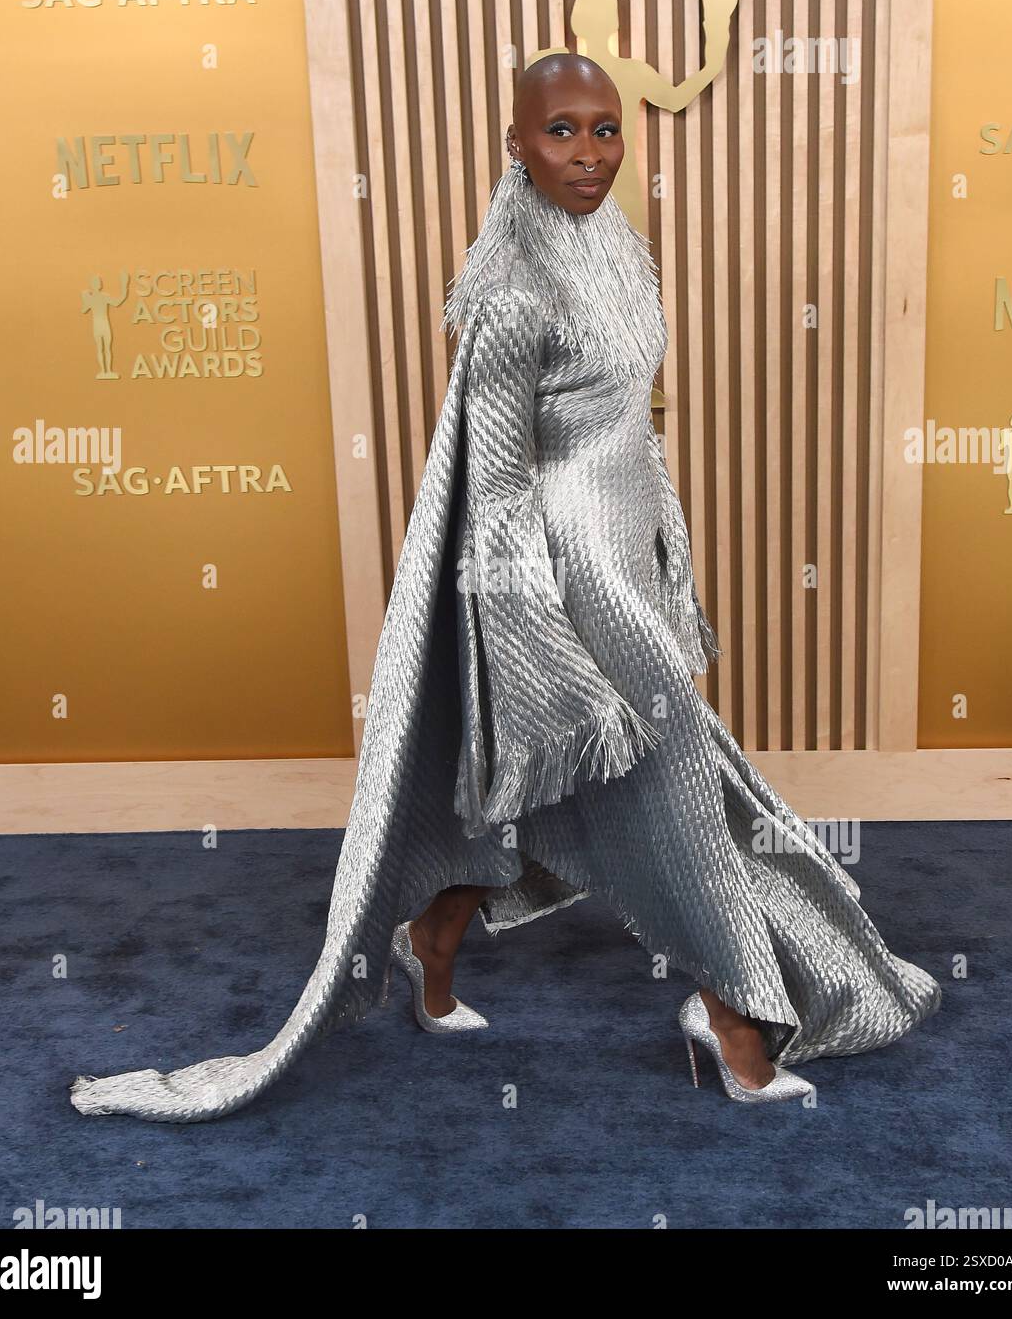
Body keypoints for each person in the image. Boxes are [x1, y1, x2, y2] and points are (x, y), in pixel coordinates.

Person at [69, 55, 940, 1123]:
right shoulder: (507, 289)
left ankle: (435, 941)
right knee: (678, 804)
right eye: (563, 131)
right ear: (515, 145)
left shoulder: (622, 249)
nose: (589, 154)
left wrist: (666, 555)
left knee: (556, 795)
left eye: (606, 129)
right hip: (568, 574)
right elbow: (496, 483)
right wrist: (536, 642)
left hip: (630, 552)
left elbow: (633, 425)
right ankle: (735, 1020)